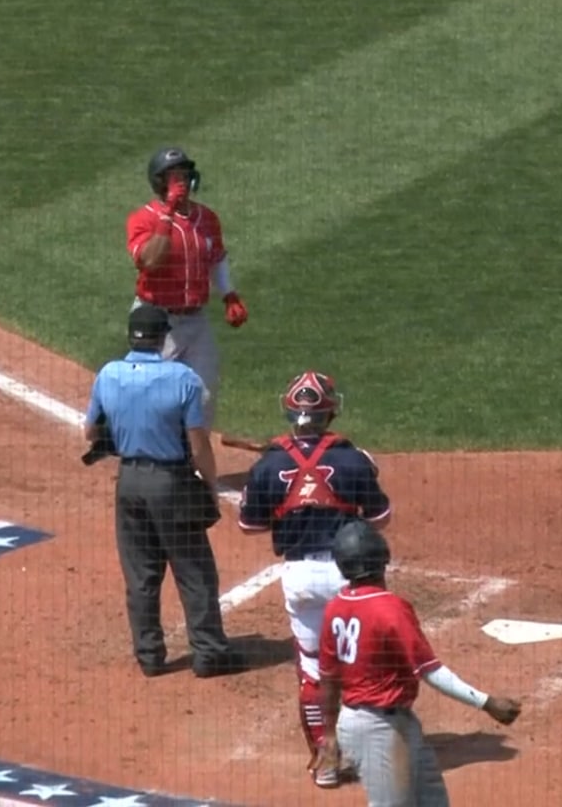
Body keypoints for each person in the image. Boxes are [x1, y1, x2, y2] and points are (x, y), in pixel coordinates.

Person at [236, 371, 392, 788]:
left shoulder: (269, 463)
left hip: (300, 577)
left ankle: (325, 763)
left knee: (312, 670)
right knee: (362, 666)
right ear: (331, 410)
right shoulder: (352, 458)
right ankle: (370, 754)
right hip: (350, 578)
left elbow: (248, 526)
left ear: (289, 410)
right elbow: (381, 518)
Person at [84, 304, 248, 679]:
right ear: (162, 338)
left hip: (128, 484)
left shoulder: (108, 374)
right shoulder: (183, 379)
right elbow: (198, 444)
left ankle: (150, 657)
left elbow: (91, 433)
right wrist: (208, 485)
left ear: (131, 336)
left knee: (140, 573)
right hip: (171, 484)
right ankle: (209, 654)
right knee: (194, 570)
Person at [316, 522, 522, 806]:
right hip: (377, 729)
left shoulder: (335, 607)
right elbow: (431, 672)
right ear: (382, 560)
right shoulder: (390, 608)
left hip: (392, 723)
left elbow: (327, 678)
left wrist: (328, 733)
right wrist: (486, 703)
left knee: (433, 801)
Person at [126, 146, 248, 429]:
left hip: (196, 319)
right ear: (159, 182)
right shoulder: (142, 219)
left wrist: (229, 294)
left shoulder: (208, 219)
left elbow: (217, 257)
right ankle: (143, 458)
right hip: (157, 320)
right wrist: (168, 213)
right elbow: (151, 262)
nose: (181, 182)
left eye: (184, 174)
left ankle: (194, 465)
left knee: (204, 395)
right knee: (153, 396)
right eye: (173, 176)